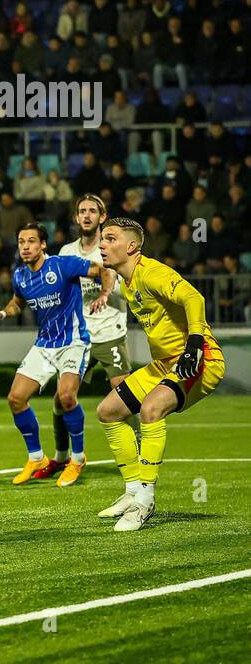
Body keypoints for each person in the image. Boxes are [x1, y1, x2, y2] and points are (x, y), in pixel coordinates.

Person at [94, 218, 225, 532]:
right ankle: (132, 491)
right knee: (109, 411)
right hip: (165, 363)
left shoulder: (153, 273)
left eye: (110, 238)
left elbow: (194, 298)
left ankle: (146, 501)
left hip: (199, 358)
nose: (102, 244)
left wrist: (194, 341)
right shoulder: (127, 284)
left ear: (132, 246)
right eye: (101, 239)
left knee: (151, 410)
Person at [0, 223, 114, 486]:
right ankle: (37, 457)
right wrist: (2, 313)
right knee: (15, 398)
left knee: (66, 397)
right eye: (21, 242)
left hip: (73, 341)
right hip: (44, 344)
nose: (26, 246)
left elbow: (104, 270)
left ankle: (77, 459)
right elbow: (18, 302)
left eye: (31, 241)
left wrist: (104, 293)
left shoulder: (62, 265)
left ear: (43, 244)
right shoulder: (20, 275)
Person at [50, 193, 135, 484]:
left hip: (110, 334)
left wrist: (107, 290)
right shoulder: (65, 251)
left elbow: (126, 283)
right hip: (79, 337)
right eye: (81, 211)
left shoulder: (112, 248)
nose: (86, 215)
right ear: (76, 218)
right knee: (63, 398)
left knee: (123, 394)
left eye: (92, 211)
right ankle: (62, 457)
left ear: (102, 216)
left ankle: (139, 451)